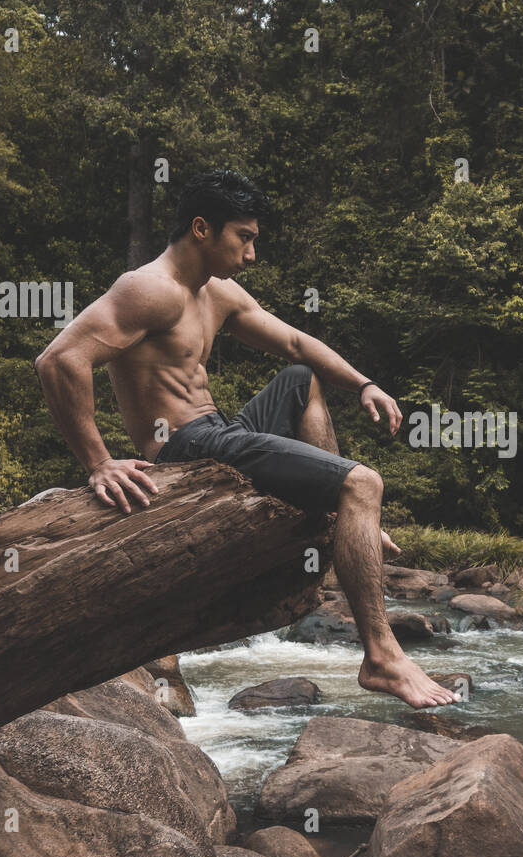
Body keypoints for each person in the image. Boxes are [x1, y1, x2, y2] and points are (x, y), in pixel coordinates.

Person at [33, 168, 459, 709]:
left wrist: (364, 384)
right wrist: (97, 462)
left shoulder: (217, 294)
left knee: (301, 382)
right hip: (184, 444)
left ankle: (338, 510)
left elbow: (297, 343)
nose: (252, 253)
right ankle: (381, 656)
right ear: (202, 229)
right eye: (245, 237)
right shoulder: (148, 289)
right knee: (364, 482)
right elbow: (59, 359)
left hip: (221, 430)